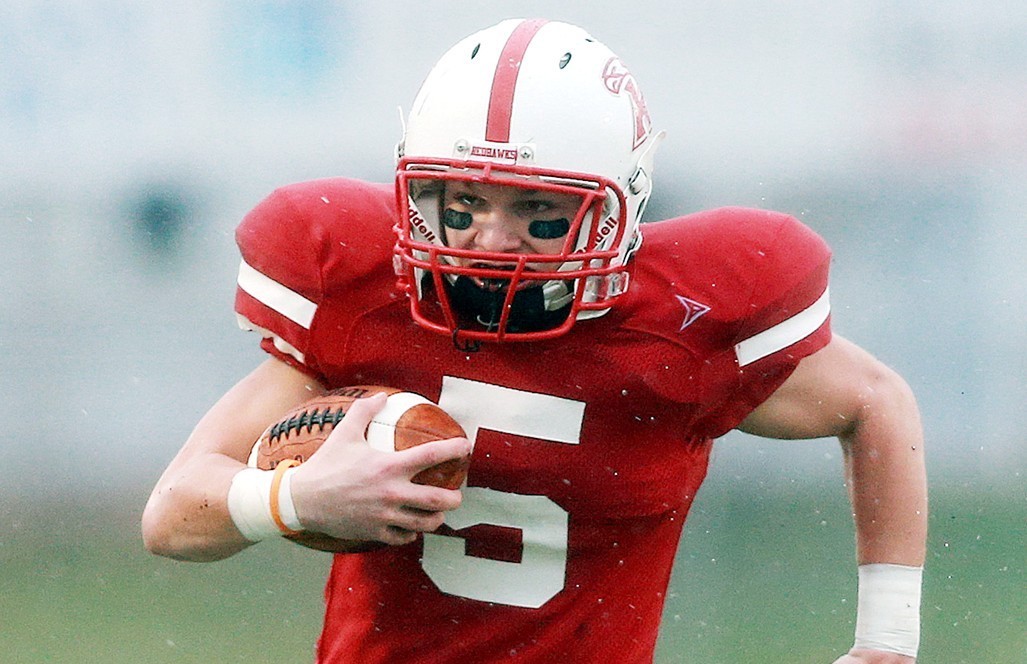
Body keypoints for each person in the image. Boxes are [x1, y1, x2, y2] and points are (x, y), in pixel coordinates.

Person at [142, 18, 927, 664]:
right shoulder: (362, 299)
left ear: (620, 206)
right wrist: (297, 498)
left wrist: (886, 641)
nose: (491, 239)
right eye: (464, 201)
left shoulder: (683, 326)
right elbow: (172, 517)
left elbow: (875, 401)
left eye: (537, 213)